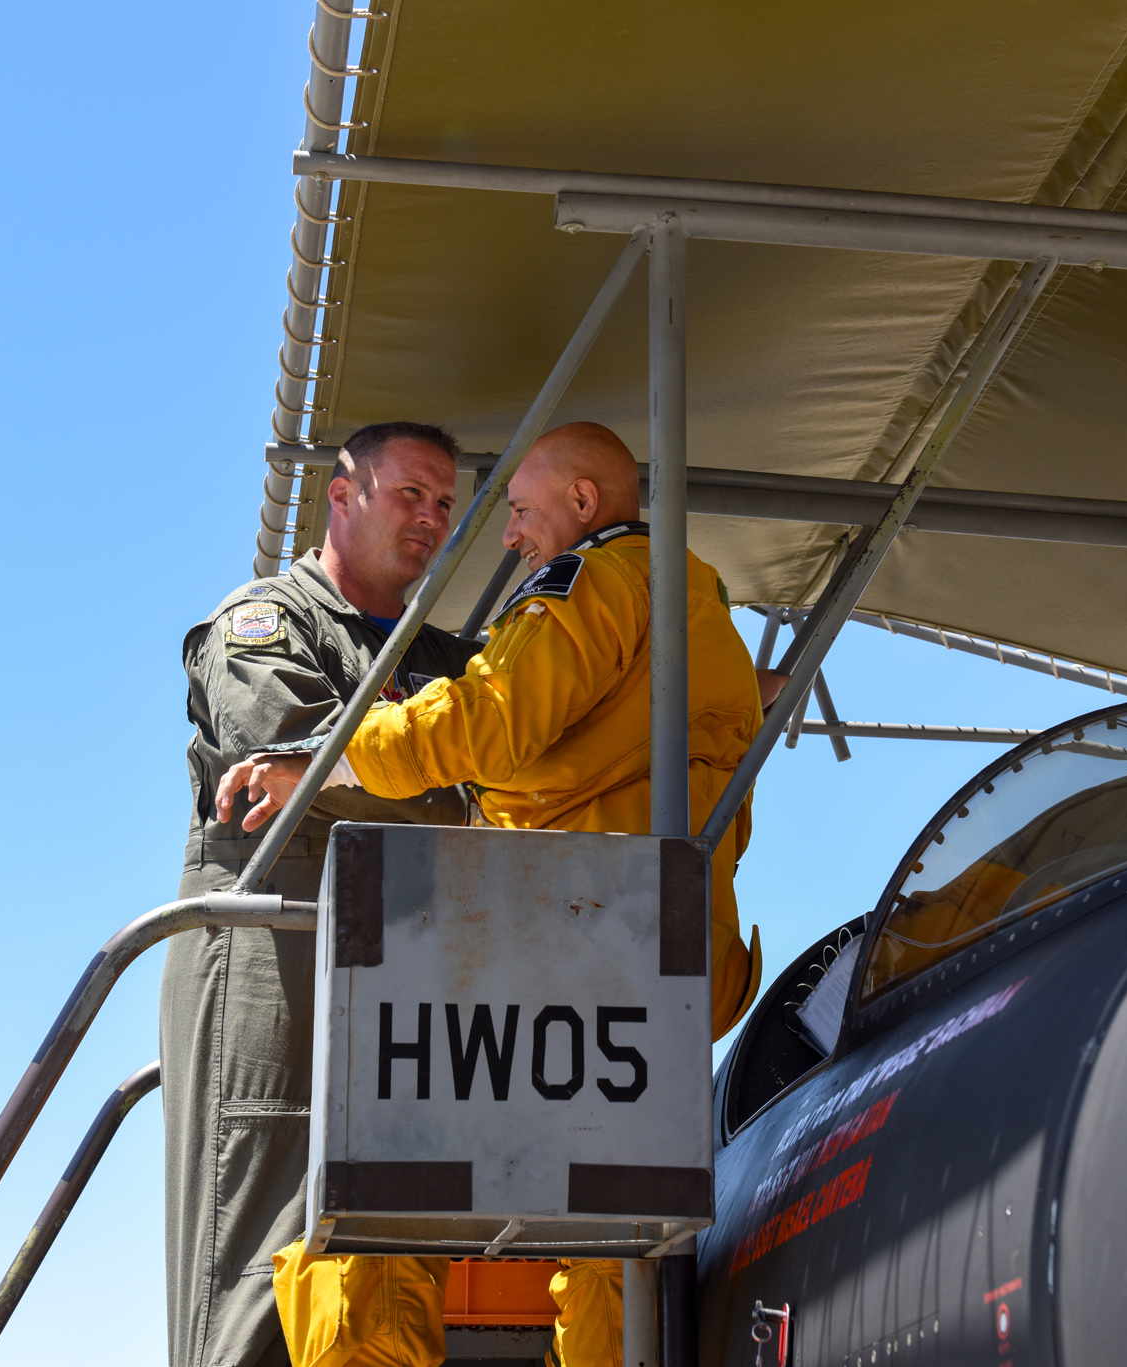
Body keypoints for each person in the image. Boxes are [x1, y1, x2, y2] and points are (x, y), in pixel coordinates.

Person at [223, 420, 767, 1367]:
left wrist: (338, 756)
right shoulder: (695, 596)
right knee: (615, 1247)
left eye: (519, 510)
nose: (509, 535)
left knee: (379, 1193)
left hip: (560, 946)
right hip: (660, 966)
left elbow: (491, 719)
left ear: (583, 502)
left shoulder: (592, 579)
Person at [164, 420, 476, 1367]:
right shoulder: (263, 624)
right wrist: (461, 785)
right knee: (263, 1255)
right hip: (279, 972)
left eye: (444, 503)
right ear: (342, 496)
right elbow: (301, 756)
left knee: (386, 1267)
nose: (431, 518)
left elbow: (523, 748)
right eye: (409, 493)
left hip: (406, 981)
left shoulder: (447, 660)